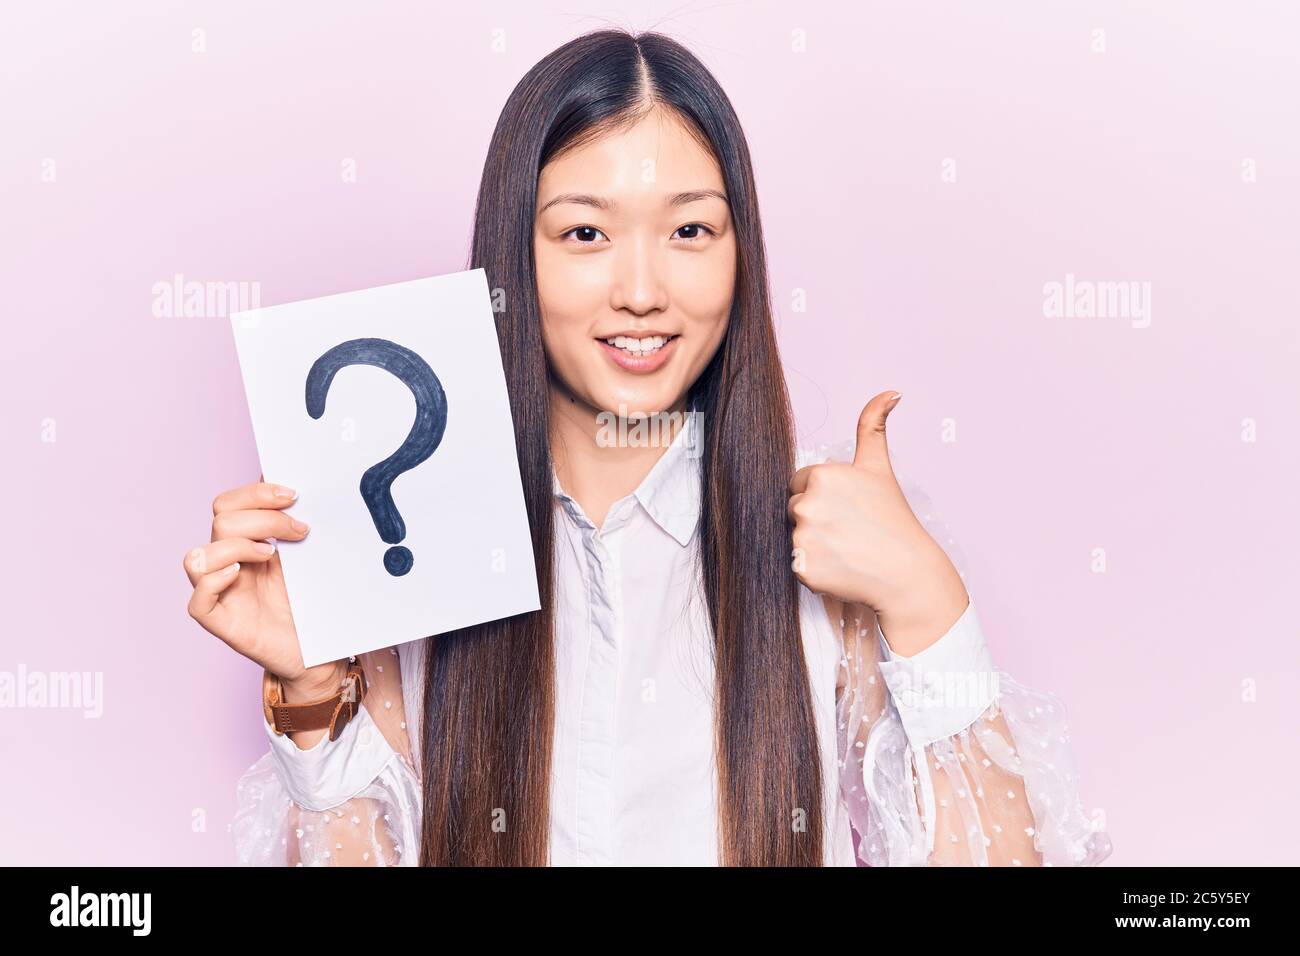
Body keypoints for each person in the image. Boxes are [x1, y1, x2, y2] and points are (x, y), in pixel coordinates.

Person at [184, 29, 1113, 867]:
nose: (640, 289)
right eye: (585, 232)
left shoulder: (838, 544)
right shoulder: (412, 550)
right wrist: (311, 695)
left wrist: (927, 601)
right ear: (517, 252)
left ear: (740, 251)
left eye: (689, 230)